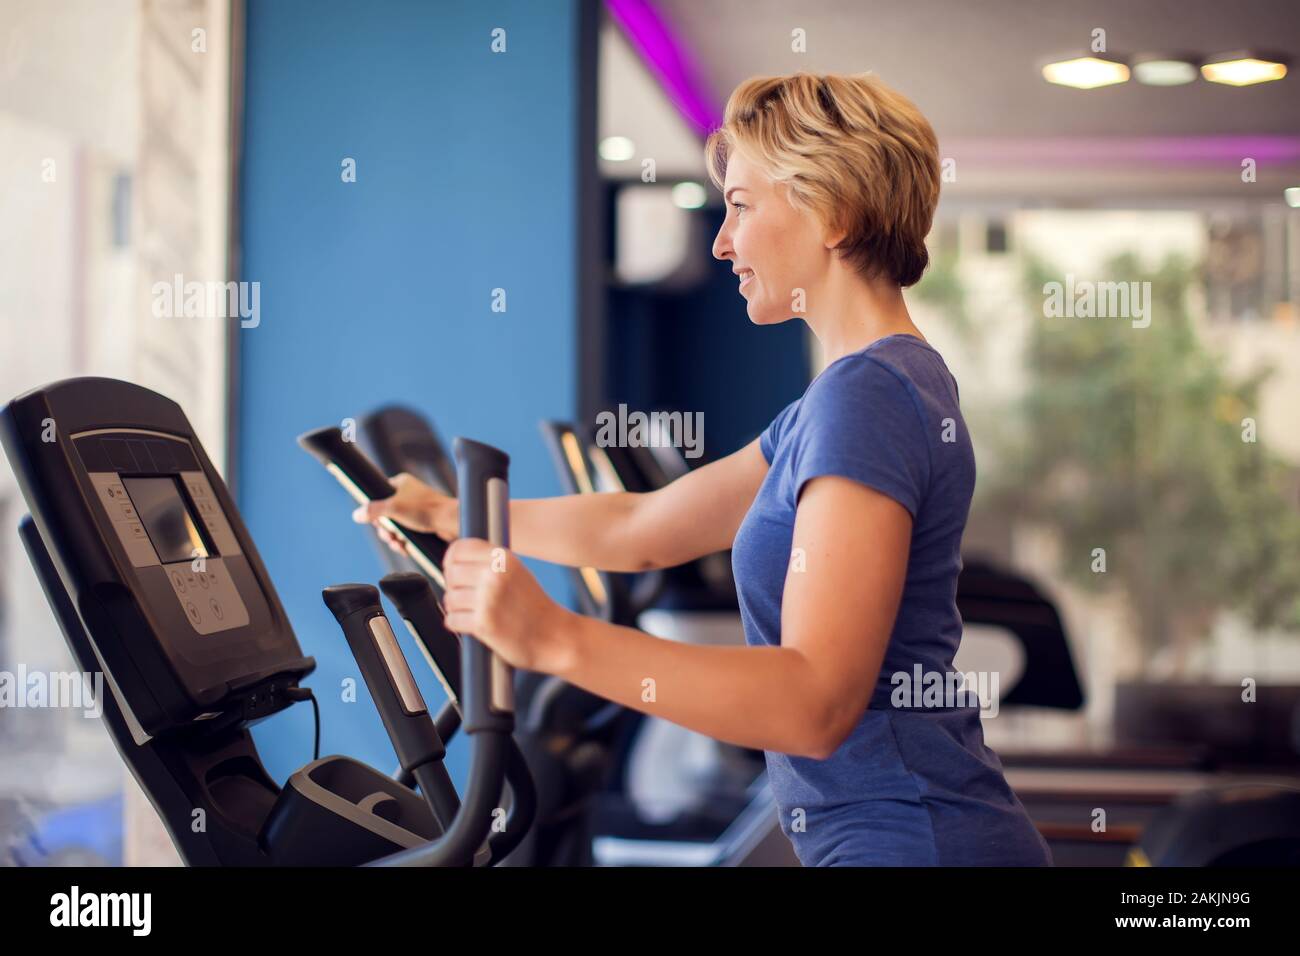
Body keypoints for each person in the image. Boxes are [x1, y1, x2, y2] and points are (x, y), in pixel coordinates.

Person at [358, 72, 1052, 866]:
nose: (723, 241)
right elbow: (644, 527)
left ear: (834, 212)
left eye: (743, 206)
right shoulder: (857, 393)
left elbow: (815, 702)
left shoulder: (869, 395)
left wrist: (554, 638)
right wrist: (455, 517)